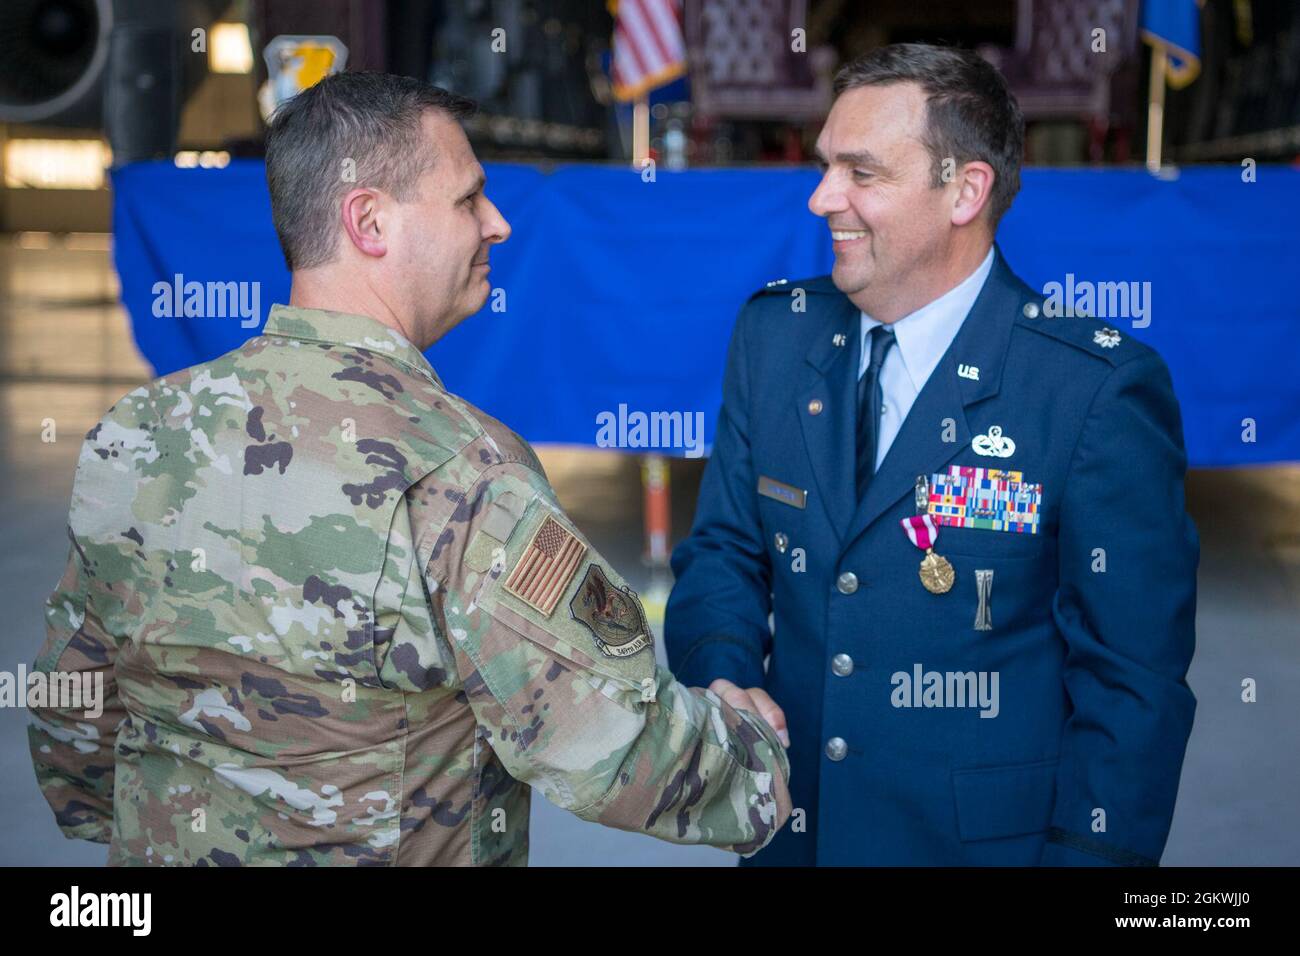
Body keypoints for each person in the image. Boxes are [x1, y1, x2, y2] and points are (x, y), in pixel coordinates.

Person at [28, 71, 791, 866]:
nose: (496, 224)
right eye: (468, 200)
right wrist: (753, 758)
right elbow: (609, 749)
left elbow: (71, 721)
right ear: (369, 221)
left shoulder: (137, 434)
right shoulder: (459, 470)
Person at [665, 43, 1198, 866]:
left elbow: (1134, 688)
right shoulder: (774, 336)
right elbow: (725, 553)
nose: (820, 198)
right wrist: (725, 674)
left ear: (965, 190)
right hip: (791, 838)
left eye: (861, 173)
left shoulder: (1092, 388)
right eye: (824, 166)